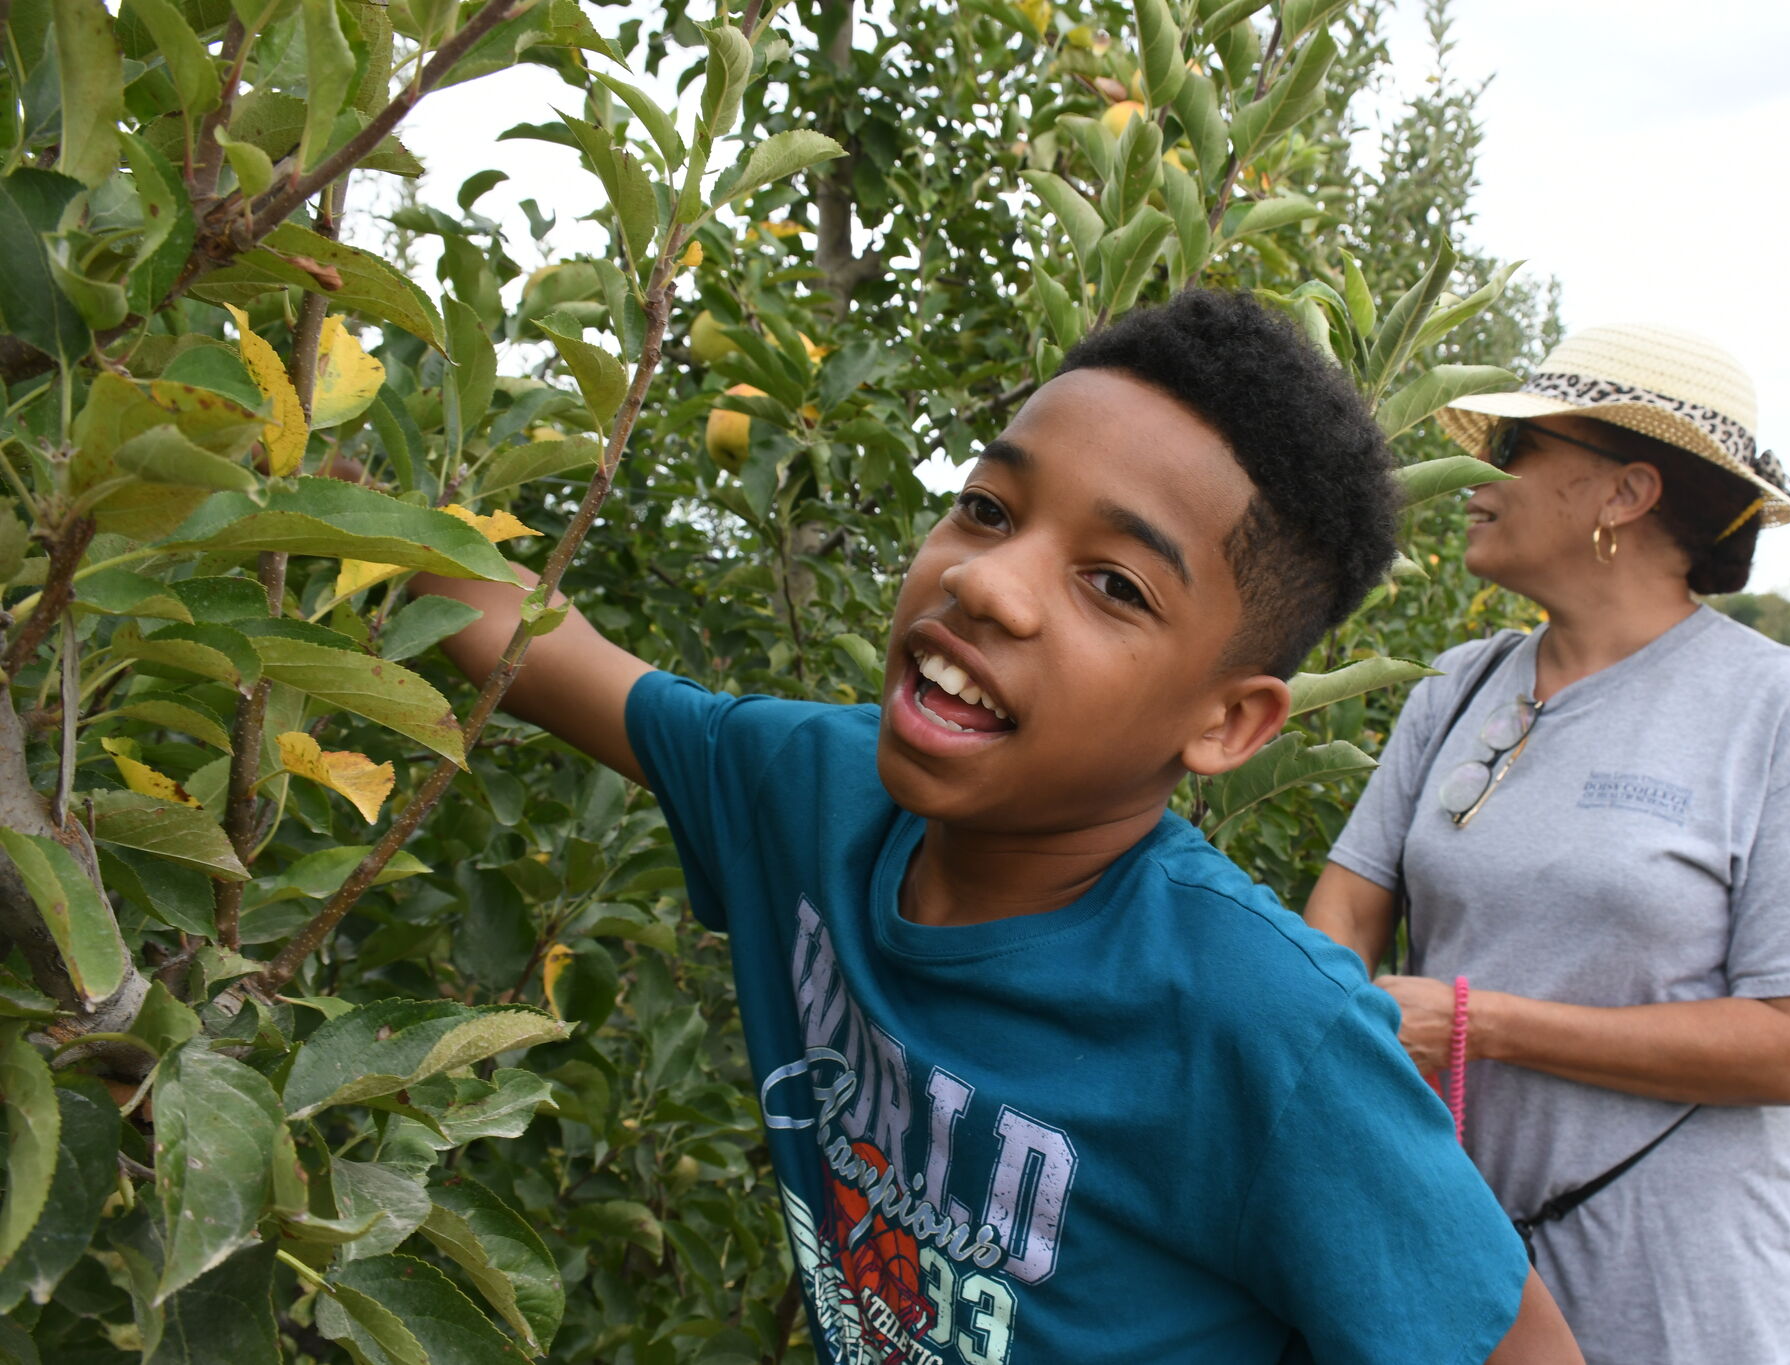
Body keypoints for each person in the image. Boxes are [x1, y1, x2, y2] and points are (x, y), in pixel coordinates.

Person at [416, 291, 1582, 1364]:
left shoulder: (1268, 1030)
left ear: (1227, 722)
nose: (986, 584)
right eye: (986, 509)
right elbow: (529, 642)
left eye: (1114, 584)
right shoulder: (809, 788)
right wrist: (323, 503)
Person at [1305, 322, 1790, 1365]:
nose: (1479, 473)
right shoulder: (1458, 687)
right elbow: (1344, 911)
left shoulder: (1779, 710)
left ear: (1623, 494)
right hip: (1458, 1268)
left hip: (1673, 1293)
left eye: (1516, 450)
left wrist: (1481, 1024)